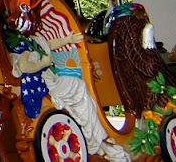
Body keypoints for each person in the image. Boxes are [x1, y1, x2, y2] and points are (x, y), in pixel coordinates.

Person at [9, 30, 130, 162]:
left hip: (51, 80)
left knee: (80, 91)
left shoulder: (32, 40)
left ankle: (95, 137)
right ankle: (96, 137)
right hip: (44, 84)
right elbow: (23, 66)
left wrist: (68, 39)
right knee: (79, 88)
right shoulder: (20, 44)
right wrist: (43, 63)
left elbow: (48, 44)